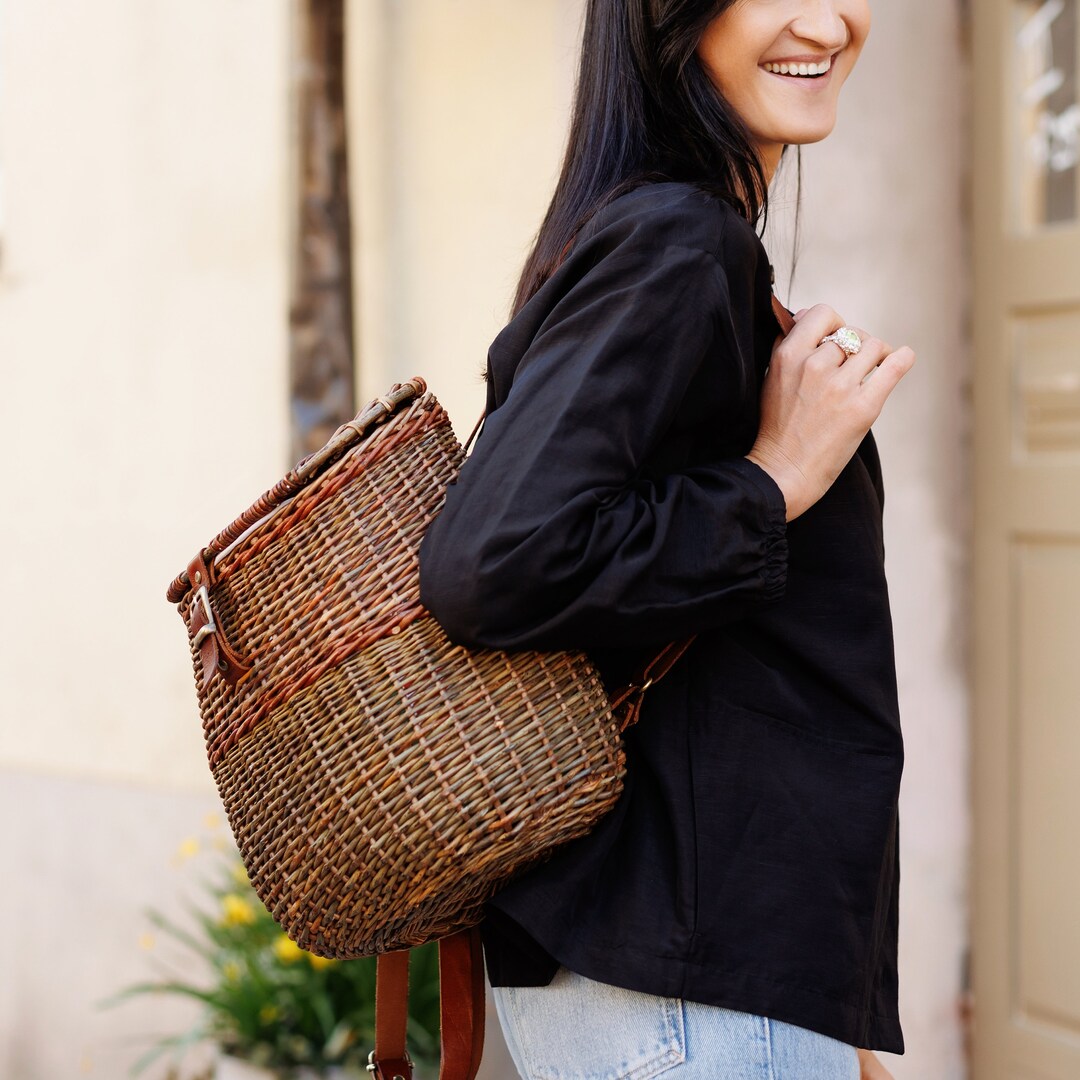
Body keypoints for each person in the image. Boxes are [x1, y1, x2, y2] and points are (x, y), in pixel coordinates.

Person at [419, 1, 915, 1077]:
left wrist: (836, 1009)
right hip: (683, 990)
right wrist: (774, 479)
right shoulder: (676, 240)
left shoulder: (675, 237)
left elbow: (761, 680)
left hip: (709, 981)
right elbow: (492, 561)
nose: (826, 20)